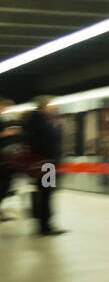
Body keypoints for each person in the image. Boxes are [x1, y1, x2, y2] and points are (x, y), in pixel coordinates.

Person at [23, 96, 65, 236]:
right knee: (46, 193)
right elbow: (45, 143)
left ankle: (45, 224)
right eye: (50, 106)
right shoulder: (39, 121)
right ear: (44, 106)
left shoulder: (36, 120)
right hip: (46, 163)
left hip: (44, 163)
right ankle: (45, 226)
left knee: (46, 193)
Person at [0, 98, 21, 222]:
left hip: (5, 157)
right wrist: (6, 133)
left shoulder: (4, 119)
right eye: (5, 107)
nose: (6, 110)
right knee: (4, 184)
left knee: (6, 183)